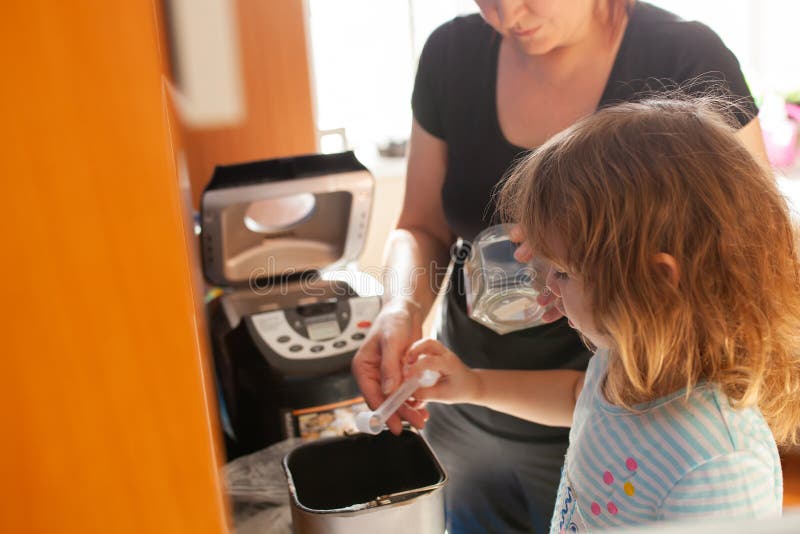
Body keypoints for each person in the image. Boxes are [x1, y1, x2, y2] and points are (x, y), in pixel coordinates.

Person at [352, 1, 768, 532]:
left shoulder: (707, 454)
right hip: (477, 400)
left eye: (564, 271)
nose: (505, 13)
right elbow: (422, 225)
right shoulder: (600, 381)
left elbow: (746, 253)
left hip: (642, 389)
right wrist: (400, 309)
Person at [403, 97, 800, 532]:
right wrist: (474, 384)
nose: (549, 289)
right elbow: (582, 399)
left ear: (656, 281)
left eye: (565, 272)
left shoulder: (718, 462)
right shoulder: (627, 358)